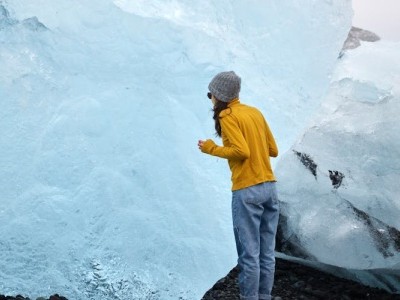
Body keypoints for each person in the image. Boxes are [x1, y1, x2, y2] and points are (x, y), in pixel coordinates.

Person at [198, 71, 279, 300]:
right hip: (269, 188)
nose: (210, 99)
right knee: (267, 252)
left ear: (218, 95)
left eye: (210, 94)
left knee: (249, 254)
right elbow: (273, 150)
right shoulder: (255, 113)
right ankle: (264, 297)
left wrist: (211, 148)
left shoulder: (227, 116)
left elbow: (241, 152)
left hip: (247, 190)